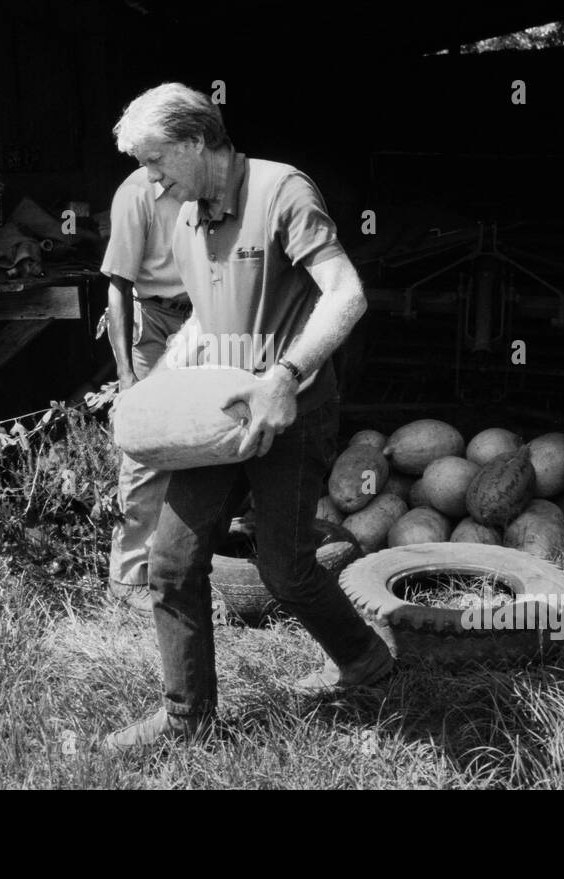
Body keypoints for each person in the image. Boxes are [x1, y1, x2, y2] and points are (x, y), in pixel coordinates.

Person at [101, 83, 394, 752]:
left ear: (198, 143)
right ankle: (186, 720)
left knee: (286, 571)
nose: (150, 180)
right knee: (171, 560)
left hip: (295, 412)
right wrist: (158, 382)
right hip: (225, 417)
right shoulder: (185, 217)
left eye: (155, 161)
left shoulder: (283, 191)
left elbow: (347, 295)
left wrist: (284, 376)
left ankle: (367, 664)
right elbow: (209, 317)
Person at [100, 168, 191, 615]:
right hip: (153, 316)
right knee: (147, 443)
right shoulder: (136, 192)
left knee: (210, 429)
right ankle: (130, 573)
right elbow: (117, 286)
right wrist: (126, 378)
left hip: (206, 316)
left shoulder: (210, 183)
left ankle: (193, 555)